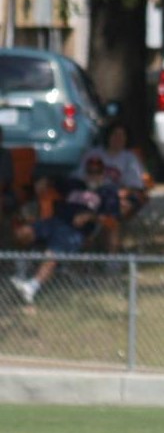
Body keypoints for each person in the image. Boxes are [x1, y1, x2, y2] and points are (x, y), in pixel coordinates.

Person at [7, 177, 102, 305]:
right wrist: (45, 182)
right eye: (91, 168)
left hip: (75, 231)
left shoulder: (106, 193)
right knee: (22, 233)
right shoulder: (76, 185)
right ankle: (20, 272)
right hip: (55, 222)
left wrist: (90, 216)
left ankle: (31, 287)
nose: (93, 172)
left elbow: (110, 216)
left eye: (97, 170)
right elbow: (52, 181)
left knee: (52, 253)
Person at [75, 121, 150, 251]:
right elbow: (78, 177)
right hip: (92, 195)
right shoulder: (94, 154)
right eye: (115, 135)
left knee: (112, 216)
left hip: (116, 198)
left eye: (122, 136)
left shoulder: (129, 158)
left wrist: (121, 194)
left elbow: (135, 185)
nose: (118, 139)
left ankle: (111, 257)